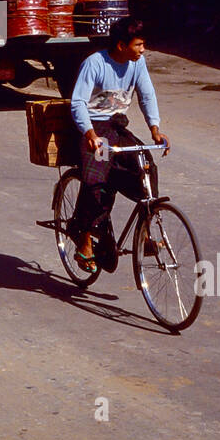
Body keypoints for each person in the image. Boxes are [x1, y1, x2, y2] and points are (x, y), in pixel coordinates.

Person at [67, 17, 167, 273]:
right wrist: (89, 132)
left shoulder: (138, 63)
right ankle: (84, 237)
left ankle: (145, 233)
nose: (143, 49)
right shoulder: (96, 63)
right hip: (96, 130)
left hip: (117, 128)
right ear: (122, 45)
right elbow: (78, 102)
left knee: (145, 167)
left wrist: (155, 129)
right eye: (139, 44)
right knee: (97, 180)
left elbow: (146, 95)